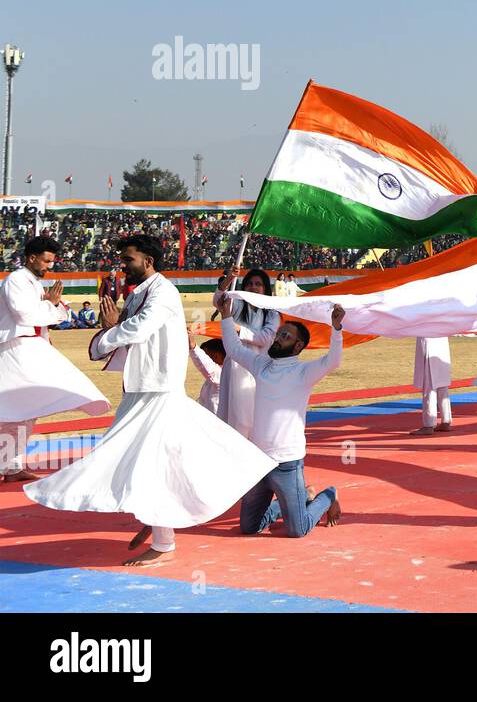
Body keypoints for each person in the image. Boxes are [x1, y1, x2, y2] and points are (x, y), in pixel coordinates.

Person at [24, 235, 275, 567]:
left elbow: (138, 328)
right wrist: (113, 328)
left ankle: (164, 535)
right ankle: (160, 517)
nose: (123, 265)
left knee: (155, 460)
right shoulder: (139, 293)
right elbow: (129, 330)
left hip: (159, 392)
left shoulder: (163, 292)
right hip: (142, 390)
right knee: (159, 460)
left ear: (148, 261)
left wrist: (106, 334)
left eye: (128, 259)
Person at [219, 296, 344, 537]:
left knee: (298, 530)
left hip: (287, 463)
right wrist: (226, 316)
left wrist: (336, 329)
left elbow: (333, 361)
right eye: (278, 334)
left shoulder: (304, 372)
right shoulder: (261, 365)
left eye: (285, 336)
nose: (277, 338)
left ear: (298, 346)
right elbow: (234, 349)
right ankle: (303, 496)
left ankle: (328, 495)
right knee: (249, 527)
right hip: (258, 461)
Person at [0, 237, 111, 482]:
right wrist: (51, 305)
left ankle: (11, 466)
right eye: (46, 261)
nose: (49, 266)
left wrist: (50, 311)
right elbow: (24, 315)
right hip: (16, 347)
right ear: (32, 258)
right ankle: (9, 465)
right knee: (13, 408)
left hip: (31, 346)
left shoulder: (33, 284)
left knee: (26, 408)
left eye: (51, 261)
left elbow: (46, 318)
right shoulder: (16, 280)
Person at [212, 269, 281, 438]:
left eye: (258, 284)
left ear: (265, 288)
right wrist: (229, 279)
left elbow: (264, 338)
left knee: (255, 415)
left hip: (259, 366)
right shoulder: (237, 305)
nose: (253, 287)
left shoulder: (272, 313)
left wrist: (237, 329)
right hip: (235, 366)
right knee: (237, 415)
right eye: (250, 284)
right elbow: (218, 300)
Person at [410, 336, 453, 434]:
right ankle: (446, 421)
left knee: (429, 385)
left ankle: (429, 425)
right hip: (441, 343)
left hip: (430, 341)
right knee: (441, 384)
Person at [189, 336, 225, 414]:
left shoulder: (223, 374)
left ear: (216, 356)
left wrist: (193, 347)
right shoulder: (213, 377)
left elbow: (207, 366)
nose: (205, 358)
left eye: (206, 356)